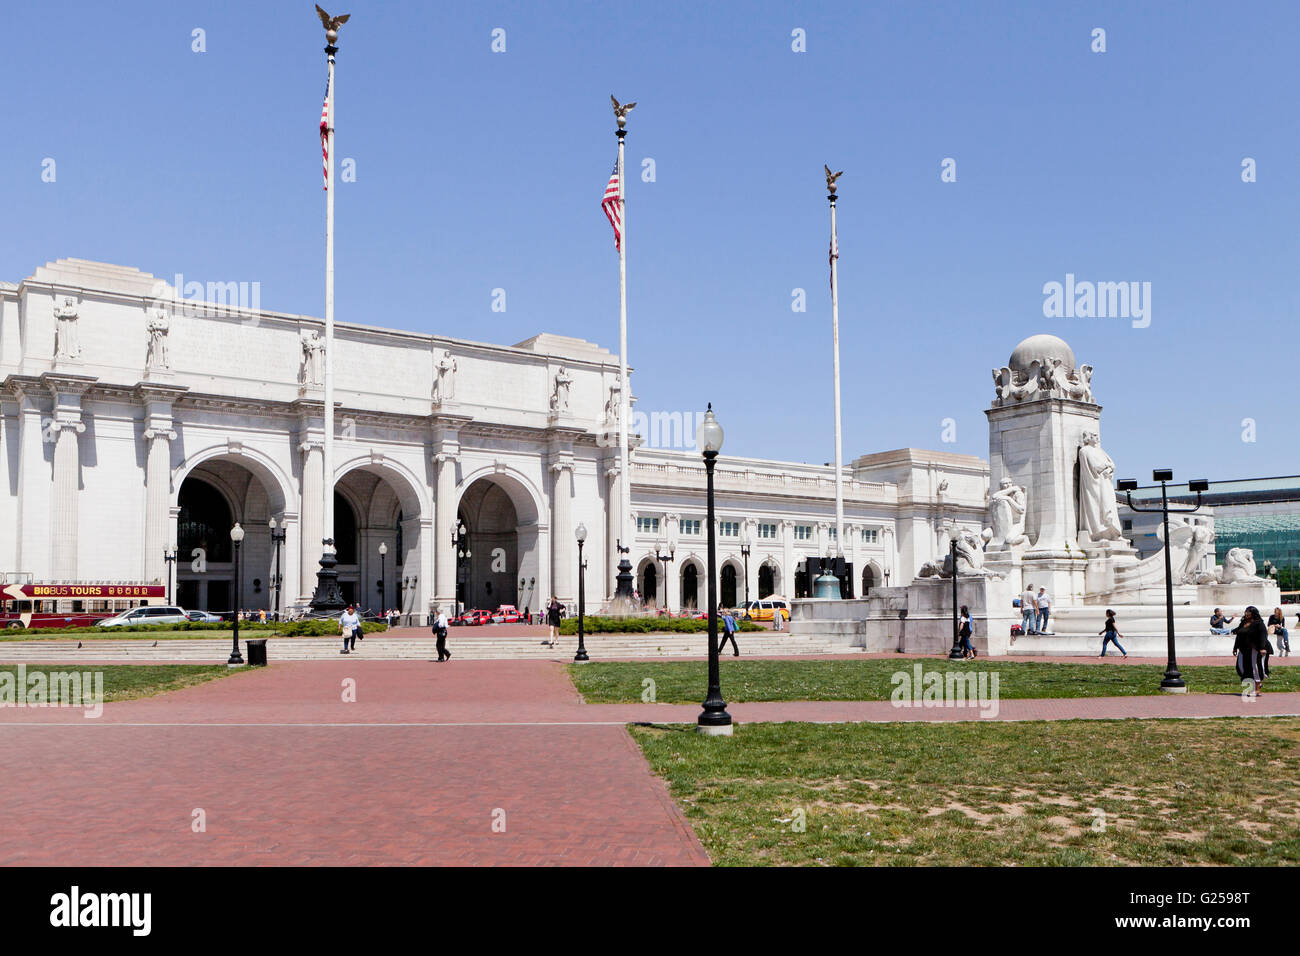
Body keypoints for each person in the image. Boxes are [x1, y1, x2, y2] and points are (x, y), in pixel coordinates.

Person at [1232, 605, 1270, 695]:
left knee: (1255, 667)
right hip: (1244, 648)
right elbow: (1239, 634)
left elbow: (1263, 636)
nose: (1246, 613)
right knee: (1240, 667)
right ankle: (1252, 685)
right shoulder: (1243, 622)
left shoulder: (1258, 623)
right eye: (1246, 611)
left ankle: (1256, 688)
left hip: (1256, 648)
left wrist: (1262, 648)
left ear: (1253, 613)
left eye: (1248, 611)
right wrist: (1235, 647)